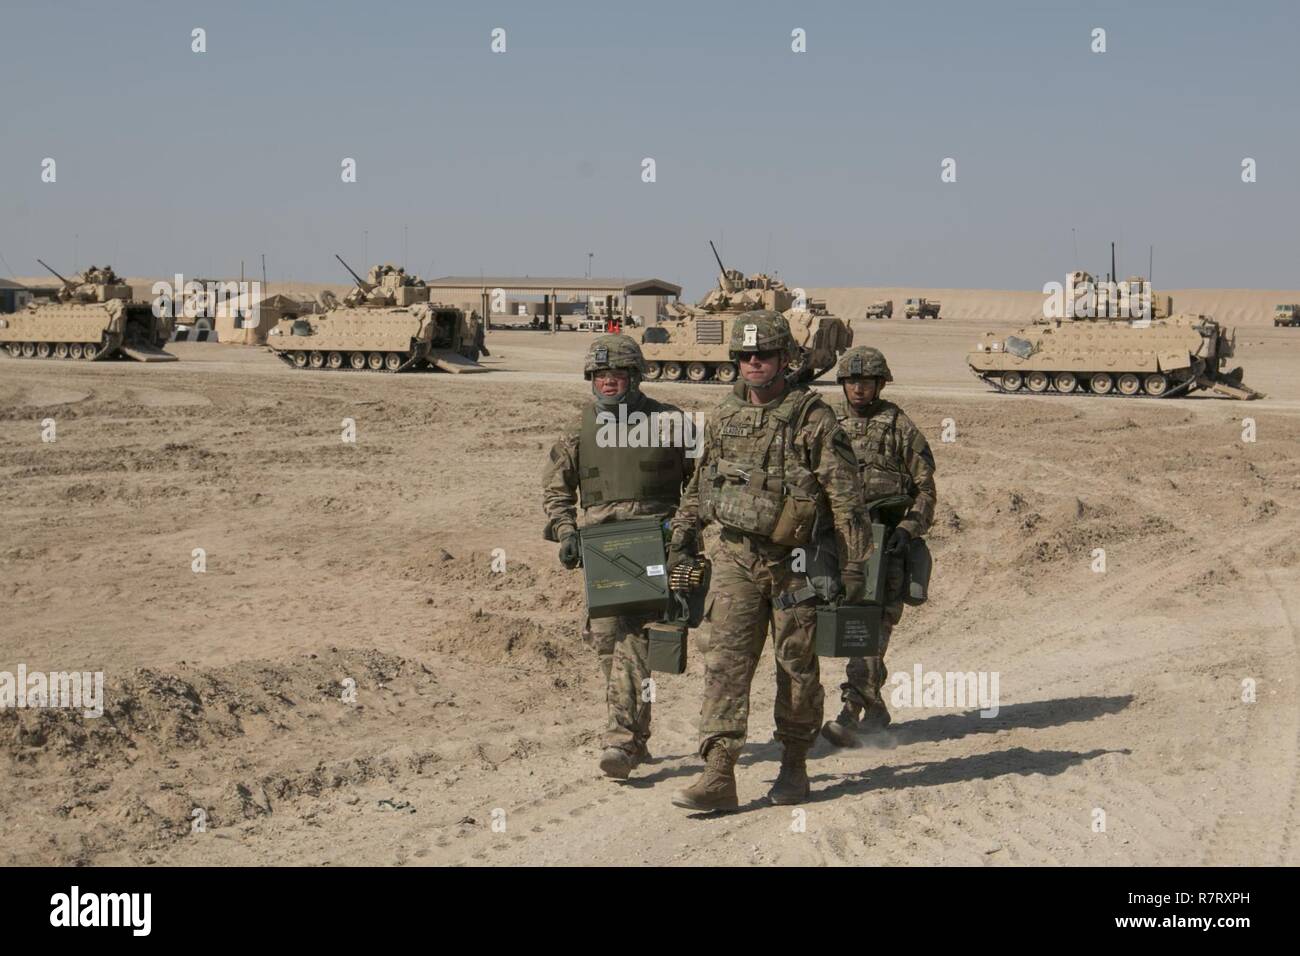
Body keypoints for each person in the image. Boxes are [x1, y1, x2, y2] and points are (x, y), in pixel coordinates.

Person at [669, 310, 869, 811]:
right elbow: (700, 486)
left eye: (763, 355)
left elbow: (845, 497)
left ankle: (795, 765)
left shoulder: (812, 417)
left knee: (797, 668)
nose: (753, 363)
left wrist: (853, 564)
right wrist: (683, 535)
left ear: (785, 358)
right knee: (725, 665)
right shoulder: (722, 416)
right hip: (736, 558)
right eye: (744, 355)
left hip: (796, 564)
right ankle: (718, 771)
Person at [542, 334, 693, 779]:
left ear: (636, 376)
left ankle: (620, 741)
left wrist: (682, 535)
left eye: (617, 374)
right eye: (600, 375)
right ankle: (637, 737)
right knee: (609, 649)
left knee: (634, 641)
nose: (608, 382)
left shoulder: (670, 423)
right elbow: (555, 491)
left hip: (655, 549)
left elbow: (703, 485)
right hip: (604, 554)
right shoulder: (577, 429)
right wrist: (566, 531)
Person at [822, 347, 937, 745]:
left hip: (885, 544)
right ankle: (874, 707)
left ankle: (850, 711)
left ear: (879, 384)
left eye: (866, 381)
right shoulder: (826, 424)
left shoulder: (898, 426)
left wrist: (908, 529)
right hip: (837, 543)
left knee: (869, 627)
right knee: (831, 625)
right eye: (852, 381)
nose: (857, 388)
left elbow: (925, 491)